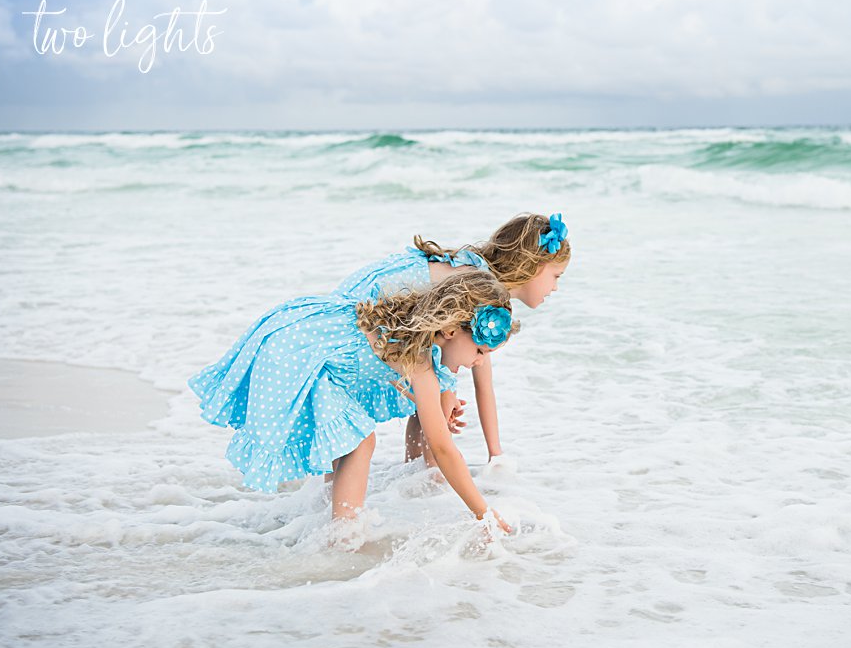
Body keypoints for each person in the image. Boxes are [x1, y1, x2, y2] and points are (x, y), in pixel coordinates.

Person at [189, 269, 518, 532]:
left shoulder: (414, 337)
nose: (479, 362)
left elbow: (404, 380)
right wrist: (483, 512)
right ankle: (342, 535)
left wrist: (431, 403)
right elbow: (443, 447)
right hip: (297, 352)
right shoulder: (418, 358)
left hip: (295, 336)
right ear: (449, 330)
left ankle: (327, 517)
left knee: (351, 436)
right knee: (359, 440)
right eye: (480, 352)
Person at [327, 213, 571, 466]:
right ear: (533, 265)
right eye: (556, 276)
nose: (555, 288)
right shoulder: (474, 287)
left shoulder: (485, 289)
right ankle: (429, 476)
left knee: (433, 398)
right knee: (435, 401)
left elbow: (483, 383)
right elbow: (436, 344)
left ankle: (416, 477)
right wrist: (446, 394)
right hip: (357, 322)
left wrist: (495, 454)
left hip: (371, 323)